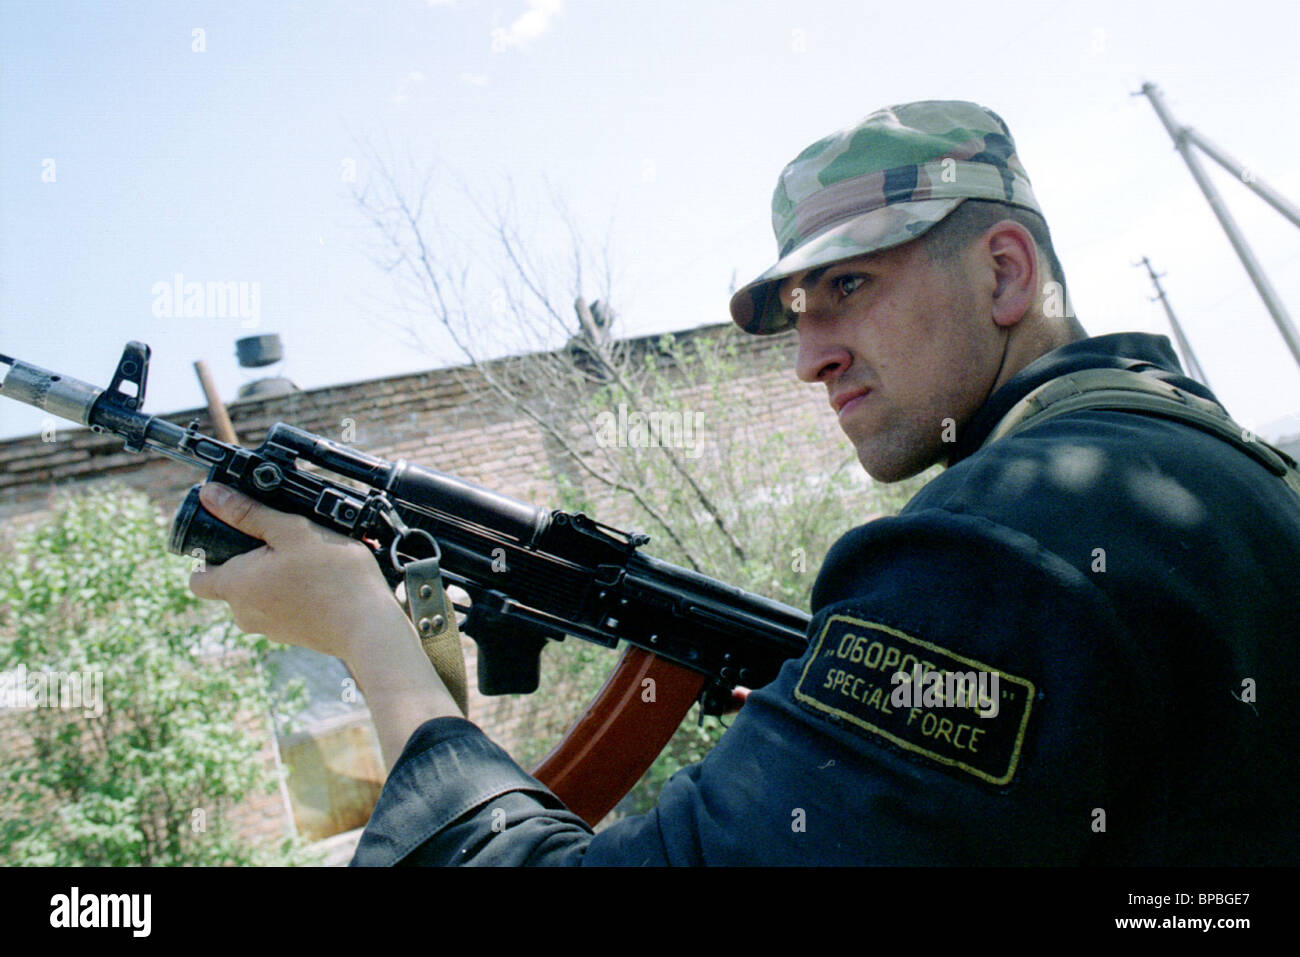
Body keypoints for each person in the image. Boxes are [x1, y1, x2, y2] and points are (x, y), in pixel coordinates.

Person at [190, 100, 1300, 865]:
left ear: (1004, 271)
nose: (810, 355)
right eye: (795, 316)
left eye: (848, 288)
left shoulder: (1008, 539)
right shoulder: (1202, 455)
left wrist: (375, 645)